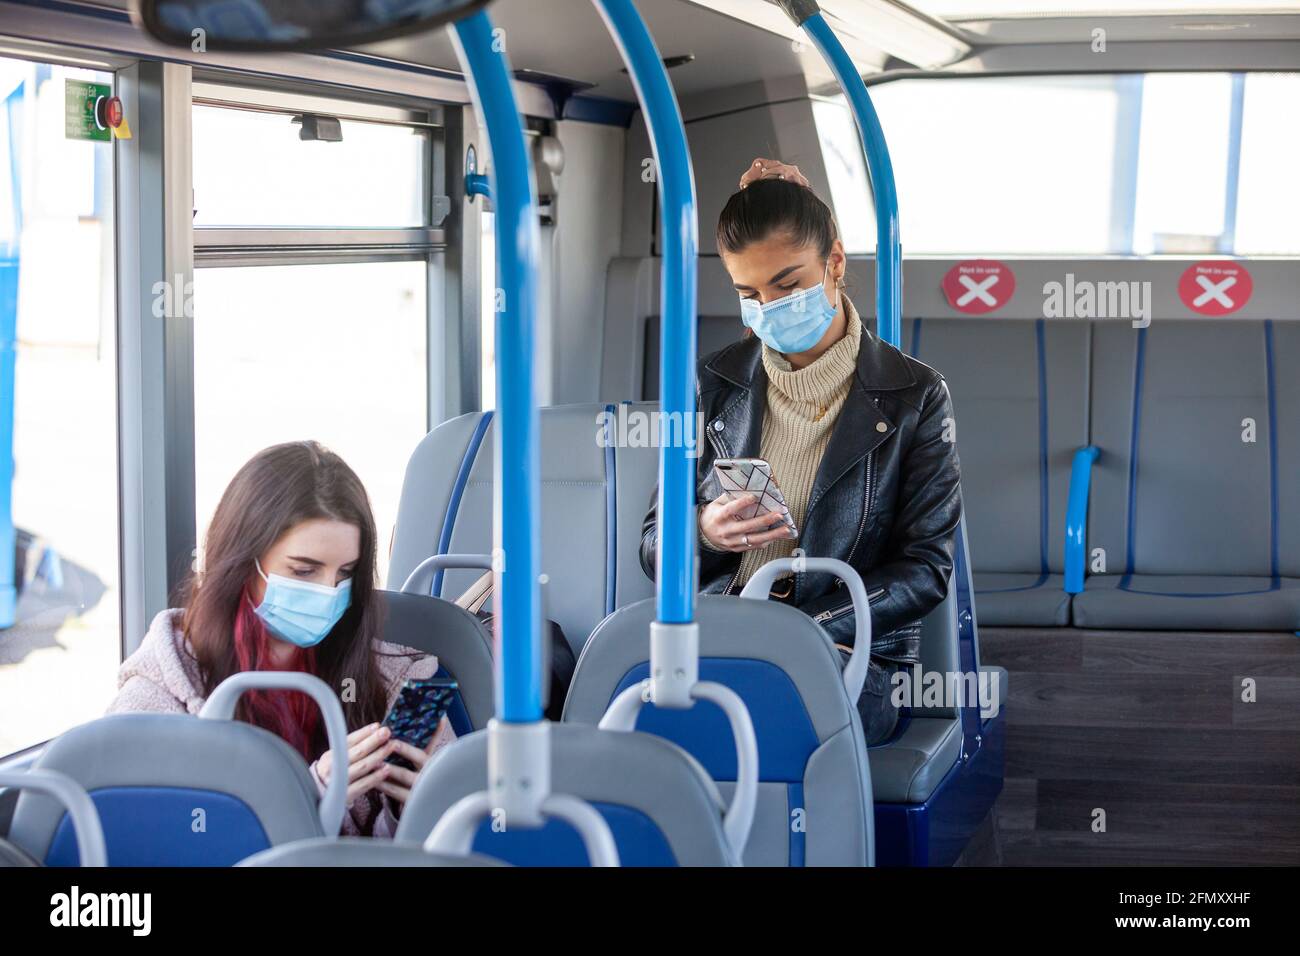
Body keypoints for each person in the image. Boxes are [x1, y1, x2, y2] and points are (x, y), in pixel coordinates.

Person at [639, 158, 963, 745]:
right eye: (749, 294)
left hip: (849, 648)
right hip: (718, 631)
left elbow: (926, 569)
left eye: (787, 286)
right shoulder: (711, 383)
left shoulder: (916, 396)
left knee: (755, 716)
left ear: (835, 262)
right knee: (628, 704)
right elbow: (653, 547)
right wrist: (705, 533)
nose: (769, 308)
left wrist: (805, 628)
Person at [108, 440, 452, 837]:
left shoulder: (390, 678)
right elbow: (159, 837)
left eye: (345, 574)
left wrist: (414, 809)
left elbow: (454, 838)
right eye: (304, 572)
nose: (329, 590)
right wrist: (307, 794)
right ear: (242, 560)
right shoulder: (166, 683)